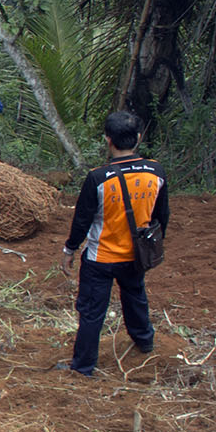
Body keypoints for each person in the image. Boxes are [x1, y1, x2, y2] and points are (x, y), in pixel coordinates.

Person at [60, 111, 168, 376]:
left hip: (101, 258)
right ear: (138, 138)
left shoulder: (98, 177)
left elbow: (82, 220)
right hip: (135, 255)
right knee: (135, 296)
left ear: (108, 140)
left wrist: (69, 249)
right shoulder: (156, 171)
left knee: (92, 311)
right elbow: (161, 216)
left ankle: (84, 366)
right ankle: (145, 341)